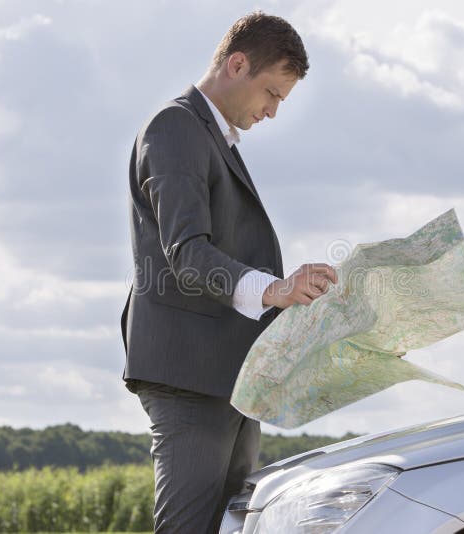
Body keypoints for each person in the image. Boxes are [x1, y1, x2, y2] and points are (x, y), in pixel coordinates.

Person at [120, 11, 338, 534]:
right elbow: (188, 254)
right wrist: (277, 288)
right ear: (237, 64)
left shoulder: (213, 139)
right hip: (190, 373)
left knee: (231, 528)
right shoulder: (175, 128)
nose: (273, 112)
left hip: (230, 376)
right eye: (272, 94)